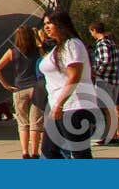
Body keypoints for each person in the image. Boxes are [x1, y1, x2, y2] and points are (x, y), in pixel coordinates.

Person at [39, 10, 95, 159]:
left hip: (73, 106)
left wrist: (60, 104)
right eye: (44, 24)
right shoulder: (58, 48)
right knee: (49, 153)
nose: (46, 27)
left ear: (61, 24)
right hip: (58, 107)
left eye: (50, 23)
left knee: (79, 154)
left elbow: (74, 76)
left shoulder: (72, 45)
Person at [0, 25, 44, 158]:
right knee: (36, 122)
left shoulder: (12, 52)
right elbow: (42, 46)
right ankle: (35, 152)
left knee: (23, 123)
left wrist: (6, 85)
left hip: (20, 88)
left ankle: (25, 151)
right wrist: (36, 36)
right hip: (37, 88)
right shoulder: (38, 50)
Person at [87, 21, 119, 145]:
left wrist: (95, 72)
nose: (91, 34)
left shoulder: (102, 43)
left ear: (94, 30)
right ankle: (114, 135)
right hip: (114, 80)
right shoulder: (111, 43)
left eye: (91, 31)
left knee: (105, 108)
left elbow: (105, 60)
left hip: (106, 79)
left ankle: (111, 135)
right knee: (109, 109)